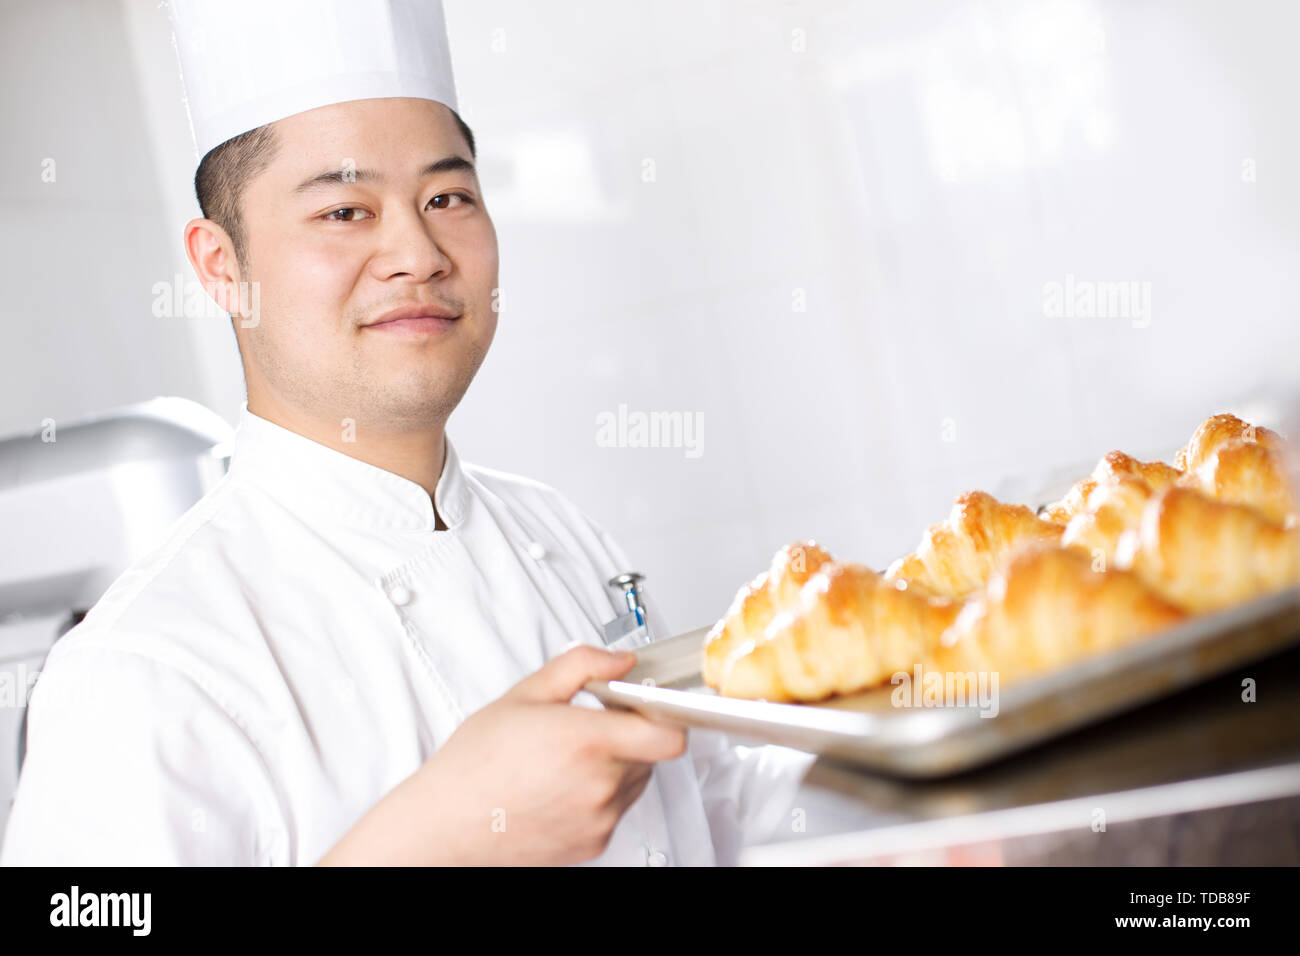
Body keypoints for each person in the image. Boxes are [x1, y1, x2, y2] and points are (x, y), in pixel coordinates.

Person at [0, 0, 815, 867]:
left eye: (447, 196)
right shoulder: (138, 671)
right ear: (221, 267)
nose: (418, 252)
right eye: (345, 211)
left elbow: (708, 814)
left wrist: (923, 772)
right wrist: (430, 848)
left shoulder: (559, 532)